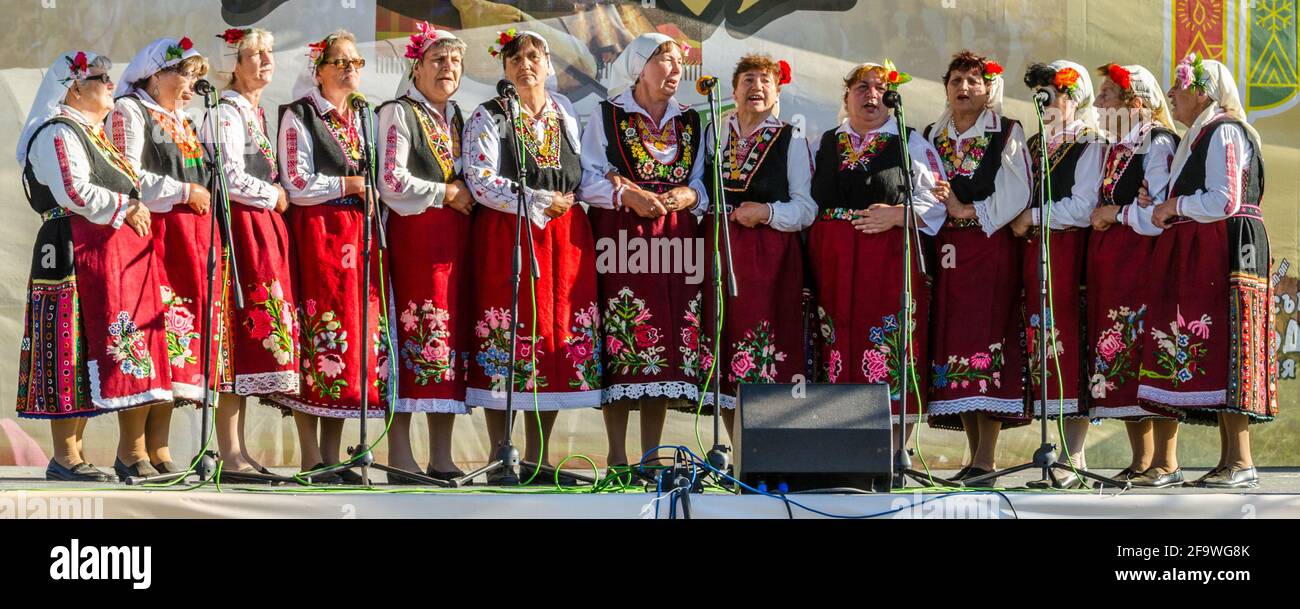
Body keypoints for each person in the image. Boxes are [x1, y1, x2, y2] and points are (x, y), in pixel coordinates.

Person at [15, 50, 172, 481]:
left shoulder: (97, 135)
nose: (109, 84)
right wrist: (127, 205)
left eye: (108, 77)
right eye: (99, 77)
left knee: (94, 349)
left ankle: (118, 454)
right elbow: (75, 192)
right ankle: (66, 456)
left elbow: (134, 182)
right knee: (68, 346)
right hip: (67, 251)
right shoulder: (57, 132)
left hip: (105, 257)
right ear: (73, 89)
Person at [463, 30, 601, 482]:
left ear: (548, 65)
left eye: (534, 56)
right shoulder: (489, 115)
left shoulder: (564, 111)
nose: (526, 65)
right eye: (516, 58)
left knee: (552, 341)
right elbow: (480, 180)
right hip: (509, 235)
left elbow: (579, 173)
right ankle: (501, 456)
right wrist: (538, 200)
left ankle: (539, 460)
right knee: (508, 335)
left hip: (562, 241)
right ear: (504, 70)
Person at [1135, 54, 1278, 488]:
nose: (1172, 95)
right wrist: (1157, 203)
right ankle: (1223, 462)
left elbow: (1224, 198)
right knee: (1212, 348)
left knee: (1231, 346)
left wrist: (1172, 205)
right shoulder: (1196, 138)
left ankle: (1241, 461)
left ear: (1203, 93)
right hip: (1203, 248)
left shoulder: (1225, 131)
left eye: (1179, 87)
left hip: (1230, 248)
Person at [580, 33, 707, 472]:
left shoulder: (692, 121)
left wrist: (690, 198)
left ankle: (651, 455)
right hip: (621, 239)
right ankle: (617, 455)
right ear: (639, 66)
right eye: (664, 61)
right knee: (623, 339)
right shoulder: (607, 114)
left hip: (675, 241)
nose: (674, 70)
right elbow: (589, 178)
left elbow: (703, 182)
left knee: (666, 344)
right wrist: (626, 198)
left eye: (677, 63)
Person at [808, 60, 945, 440]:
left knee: (888, 340)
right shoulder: (825, 141)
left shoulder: (910, 140)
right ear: (846, 97)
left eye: (880, 88)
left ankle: (895, 447)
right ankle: (840, 444)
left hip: (887, 260)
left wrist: (898, 214)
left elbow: (936, 201)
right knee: (839, 340)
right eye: (861, 87)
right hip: (833, 260)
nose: (871, 94)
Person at [107, 36, 216, 479]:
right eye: (184, 74)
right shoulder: (130, 111)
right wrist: (184, 191)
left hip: (188, 241)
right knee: (148, 340)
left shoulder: (184, 120)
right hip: (150, 237)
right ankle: (130, 448)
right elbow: (126, 175)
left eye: (196, 77)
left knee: (176, 344)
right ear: (155, 75)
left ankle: (160, 446)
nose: (191, 85)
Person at [274, 30, 379, 484]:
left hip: (359, 236)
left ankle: (335, 457)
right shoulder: (299, 116)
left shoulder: (365, 116)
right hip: (318, 233)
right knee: (319, 335)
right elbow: (296, 182)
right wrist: (351, 186)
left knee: (350, 343)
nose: (350, 69)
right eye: (340, 62)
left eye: (355, 62)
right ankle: (310, 456)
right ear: (318, 71)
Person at [925, 50, 1032, 485]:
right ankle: (975, 459)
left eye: (974, 80)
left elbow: (1019, 190)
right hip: (947, 253)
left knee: (988, 342)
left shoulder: (1007, 131)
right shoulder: (932, 134)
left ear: (989, 89)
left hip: (990, 250)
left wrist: (967, 210)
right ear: (946, 87)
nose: (964, 87)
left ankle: (986, 460)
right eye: (956, 80)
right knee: (955, 345)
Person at [200, 27, 296, 479]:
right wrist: (272, 194)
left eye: (268, 53)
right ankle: (229, 452)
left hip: (259, 232)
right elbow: (229, 176)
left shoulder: (256, 113)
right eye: (254, 54)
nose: (265, 61)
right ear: (232, 65)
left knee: (250, 341)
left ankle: (238, 450)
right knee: (236, 338)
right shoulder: (225, 112)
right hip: (239, 231)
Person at [378, 24, 472, 482]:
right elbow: (391, 182)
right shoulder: (399, 112)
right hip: (415, 238)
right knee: (412, 338)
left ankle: (440, 454)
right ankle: (399, 454)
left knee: (447, 344)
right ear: (416, 67)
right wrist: (444, 193)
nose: (447, 69)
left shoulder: (457, 117)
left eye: (454, 61)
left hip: (453, 244)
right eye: (437, 60)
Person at [1008, 60, 1105, 488]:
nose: (1046, 100)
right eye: (1041, 93)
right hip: (1037, 255)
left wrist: (1031, 215)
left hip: (1072, 254)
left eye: (1055, 91)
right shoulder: (1033, 144)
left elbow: (1083, 208)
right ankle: (1059, 459)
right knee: (1043, 348)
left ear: (1076, 96)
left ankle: (1074, 457)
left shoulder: (1091, 142)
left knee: (1073, 346)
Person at [1085, 63, 1180, 484]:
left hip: (1145, 263)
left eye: (1106, 96)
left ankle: (1166, 461)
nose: (1098, 103)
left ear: (1135, 104)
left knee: (1150, 353)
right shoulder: (1118, 147)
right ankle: (1141, 460)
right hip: (1117, 264)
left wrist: (1117, 212)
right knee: (1120, 353)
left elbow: (1157, 215)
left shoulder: (1156, 144)